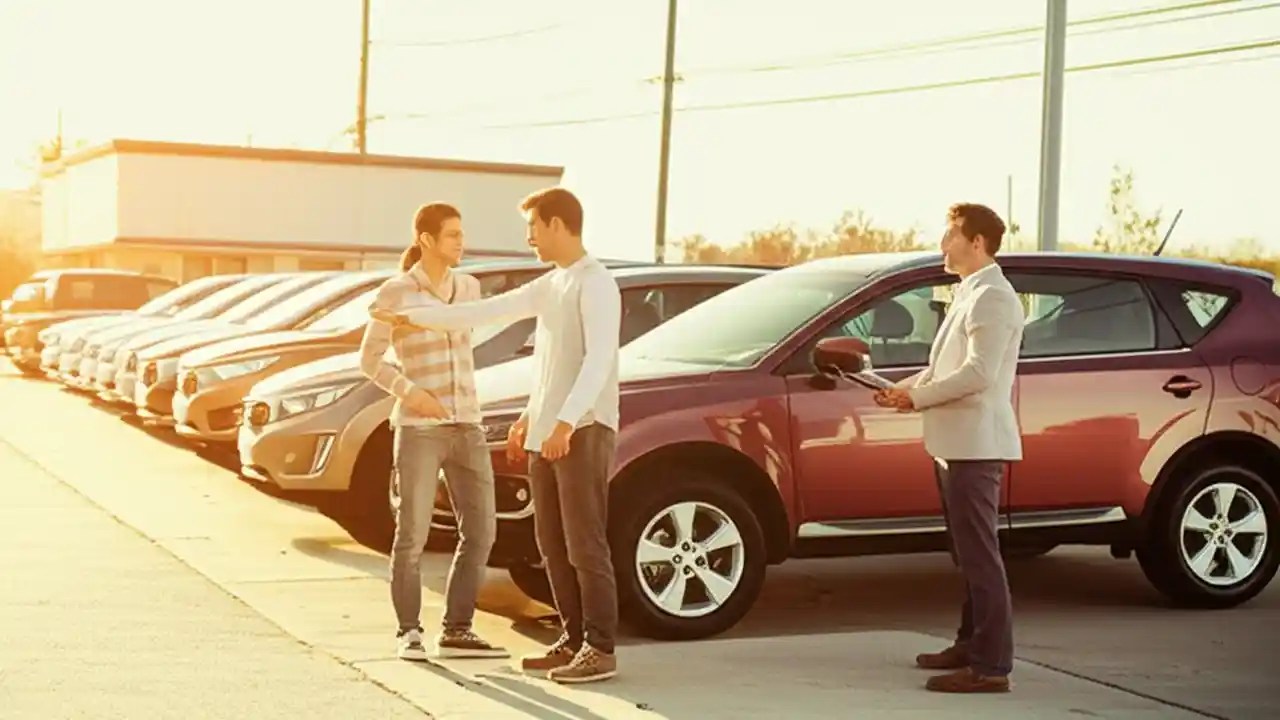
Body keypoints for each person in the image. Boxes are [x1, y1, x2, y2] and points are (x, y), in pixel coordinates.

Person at [372, 186, 622, 685]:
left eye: (532, 226)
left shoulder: (596, 284)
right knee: (551, 544)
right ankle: (572, 639)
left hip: (583, 431)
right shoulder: (551, 284)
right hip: (546, 433)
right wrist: (410, 317)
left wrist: (567, 422)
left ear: (556, 225)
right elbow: (485, 319)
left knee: (585, 544)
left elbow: (598, 363)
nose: (527, 237)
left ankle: (600, 647)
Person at [875, 202, 1024, 694]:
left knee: (982, 557)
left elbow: (979, 374)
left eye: (951, 235)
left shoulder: (993, 299)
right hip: (953, 442)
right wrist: (904, 389)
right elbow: (944, 369)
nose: (943, 244)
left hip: (976, 445)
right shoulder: (969, 293)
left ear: (977, 242)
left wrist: (917, 396)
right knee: (968, 555)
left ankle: (991, 668)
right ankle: (969, 644)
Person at [359, 202, 508, 662]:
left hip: (468, 422)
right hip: (420, 427)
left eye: (462, 234)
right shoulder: (396, 292)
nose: (461, 243)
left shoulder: (469, 287)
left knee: (482, 529)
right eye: (451, 235)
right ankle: (409, 631)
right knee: (412, 534)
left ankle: (458, 629)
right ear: (425, 239)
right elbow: (369, 361)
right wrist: (412, 393)